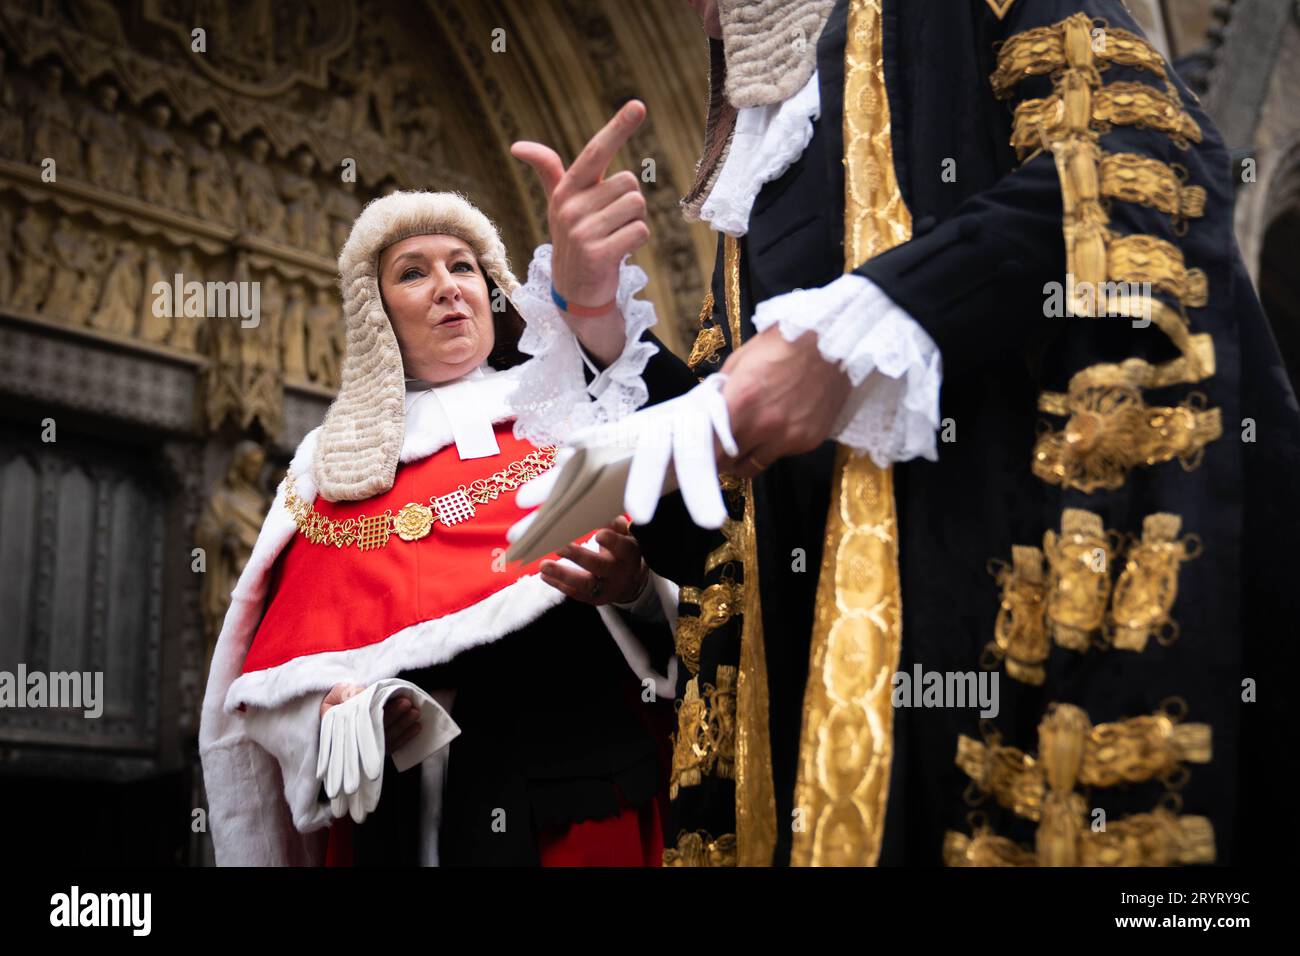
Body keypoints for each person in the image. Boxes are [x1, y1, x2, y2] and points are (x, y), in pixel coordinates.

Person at [509, 0, 1300, 866]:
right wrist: (595, 319)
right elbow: (724, 539)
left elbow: (1148, 166)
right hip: (806, 750)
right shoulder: (756, 196)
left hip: (981, 668)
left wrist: (859, 333)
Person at [199, 189, 683, 866]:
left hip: (579, 798)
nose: (449, 288)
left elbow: (700, 602)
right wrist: (341, 716)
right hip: (406, 823)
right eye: (413, 272)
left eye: (463, 266)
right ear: (376, 312)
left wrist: (635, 588)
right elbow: (271, 688)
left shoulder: (580, 417)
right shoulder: (332, 470)